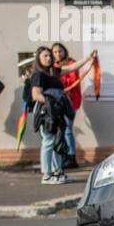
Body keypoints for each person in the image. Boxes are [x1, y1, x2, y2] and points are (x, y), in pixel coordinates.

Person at [26, 46, 69, 185]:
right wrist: (52, 102)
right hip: (46, 112)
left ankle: (58, 172)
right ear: (38, 58)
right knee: (48, 140)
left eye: (50, 55)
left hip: (56, 110)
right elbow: (36, 95)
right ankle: (46, 174)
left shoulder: (52, 74)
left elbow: (72, 68)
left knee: (58, 140)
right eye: (45, 56)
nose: (49, 58)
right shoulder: (38, 75)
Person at [51, 43, 97, 167]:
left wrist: (59, 81)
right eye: (54, 52)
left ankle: (71, 158)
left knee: (67, 129)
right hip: (57, 102)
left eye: (59, 51)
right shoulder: (53, 66)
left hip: (70, 101)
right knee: (59, 130)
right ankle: (64, 155)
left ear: (64, 51)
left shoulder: (70, 63)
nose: (57, 54)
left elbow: (72, 79)